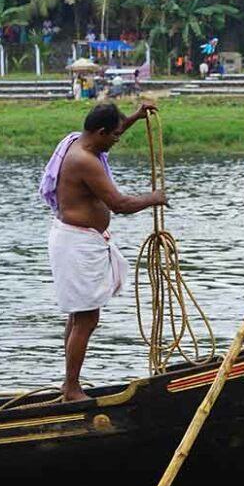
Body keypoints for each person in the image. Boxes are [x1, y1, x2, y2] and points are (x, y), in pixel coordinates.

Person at [39, 102, 165, 401]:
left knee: (79, 314)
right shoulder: (85, 159)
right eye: (115, 136)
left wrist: (134, 116)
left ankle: (70, 382)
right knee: (86, 318)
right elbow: (119, 204)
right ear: (100, 132)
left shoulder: (79, 141)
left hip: (79, 239)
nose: (117, 141)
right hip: (77, 243)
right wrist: (154, 198)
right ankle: (71, 387)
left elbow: (111, 134)